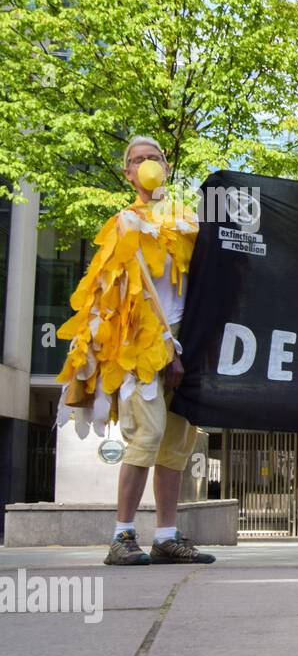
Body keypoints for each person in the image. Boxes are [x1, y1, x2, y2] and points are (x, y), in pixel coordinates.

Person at [55, 136, 215, 566]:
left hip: (187, 339)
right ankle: (122, 536)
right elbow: (124, 298)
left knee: (176, 445)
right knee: (145, 436)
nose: (146, 164)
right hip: (140, 345)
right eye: (137, 160)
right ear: (128, 173)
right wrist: (166, 349)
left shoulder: (189, 223)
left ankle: (166, 535)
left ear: (166, 166)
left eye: (154, 157)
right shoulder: (123, 225)